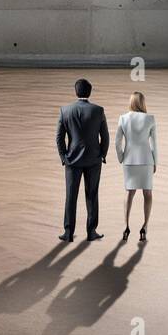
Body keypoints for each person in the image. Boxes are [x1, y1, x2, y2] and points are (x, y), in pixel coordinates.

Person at [55, 78, 110, 242]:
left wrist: (63, 156)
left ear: (76, 91)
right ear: (90, 92)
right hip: (94, 160)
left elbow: (59, 137)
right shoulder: (98, 110)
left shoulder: (65, 111)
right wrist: (102, 154)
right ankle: (91, 231)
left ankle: (68, 233)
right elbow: (105, 136)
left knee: (71, 196)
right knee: (92, 195)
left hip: (72, 160)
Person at [115, 90, 158, 242]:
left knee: (129, 193)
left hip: (129, 161)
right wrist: (155, 162)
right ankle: (145, 226)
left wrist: (121, 158)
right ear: (143, 103)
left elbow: (117, 142)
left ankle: (126, 225)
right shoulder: (150, 119)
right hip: (146, 160)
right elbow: (154, 145)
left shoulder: (123, 118)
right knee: (148, 194)